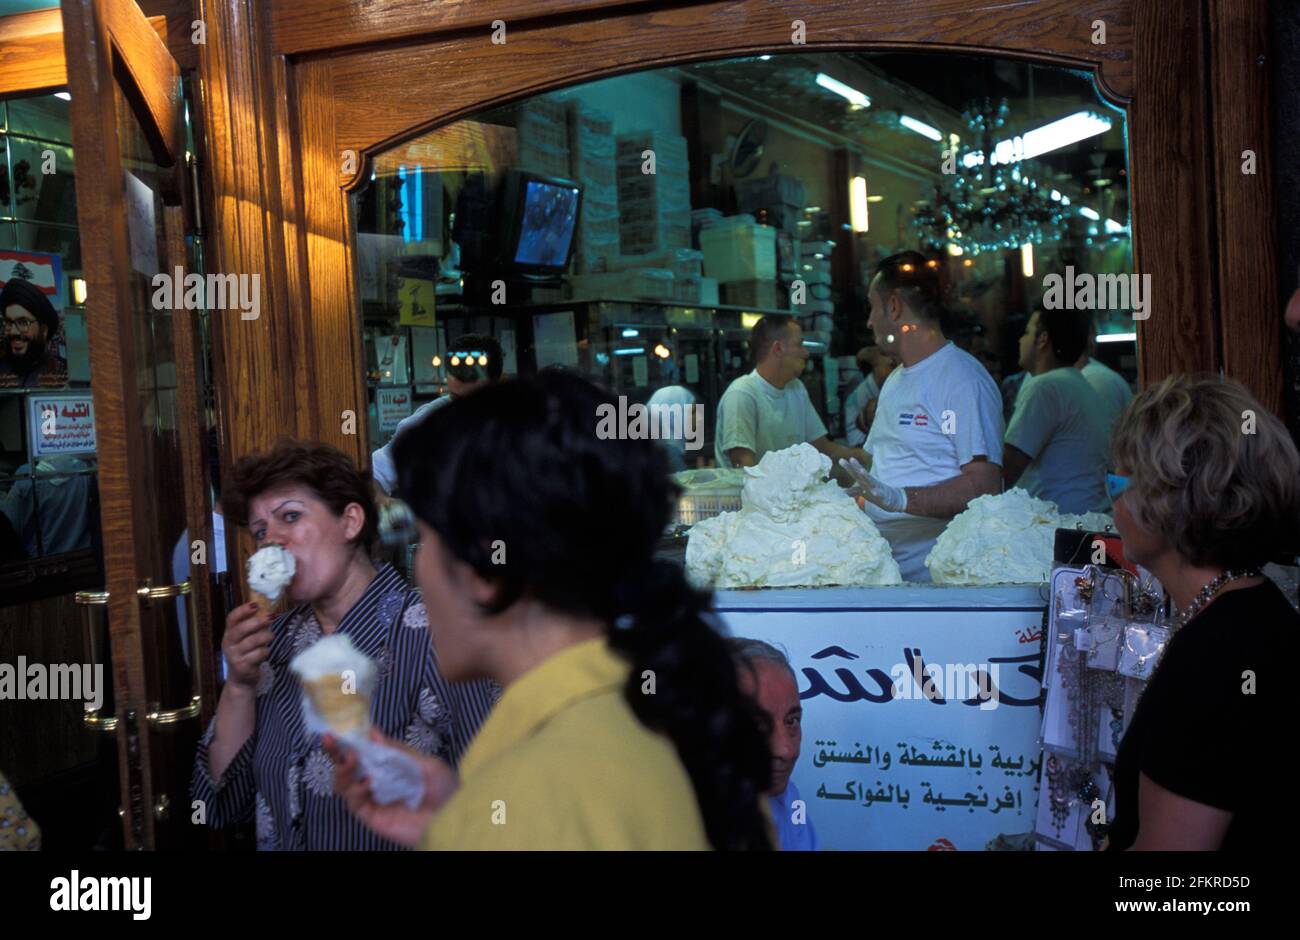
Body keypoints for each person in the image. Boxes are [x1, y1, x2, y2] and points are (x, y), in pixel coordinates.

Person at [329, 371, 775, 849]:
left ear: (485, 571)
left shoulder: (532, 793)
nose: (423, 569)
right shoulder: (674, 717)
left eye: (425, 538)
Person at [190, 440, 497, 850]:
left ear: (351, 521)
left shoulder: (438, 638)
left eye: (291, 517)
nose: (271, 541)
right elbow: (219, 808)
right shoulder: (274, 644)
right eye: (261, 530)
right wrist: (241, 686)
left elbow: (503, 803)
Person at [1106, 375, 1300, 851]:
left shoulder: (1215, 656)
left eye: (1117, 480)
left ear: (1166, 500)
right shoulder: (1254, 609)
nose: (1110, 499)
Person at [840, 251, 1004, 581]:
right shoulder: (895, 381)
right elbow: (881, 466)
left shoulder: (962, 380)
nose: (870, 321)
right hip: (885, 574)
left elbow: (985, 486)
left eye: (873, 307)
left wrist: (901, 499)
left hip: (935, 582)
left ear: (895, 307)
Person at [714, 315, 868, 471]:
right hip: (749, 495)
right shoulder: (742, 394)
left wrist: (861, 456)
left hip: (787, 493)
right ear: (778, 348)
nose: (806, 353)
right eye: (800, 344)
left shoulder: (796, 388)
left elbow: (821, 447)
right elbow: (743, 465)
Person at [1002, 306, 1111, 512]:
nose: (1020, 340)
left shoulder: (1045, 386)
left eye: (1026, 332)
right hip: (1084, 518)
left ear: (1042, 339)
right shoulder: (1078, 382)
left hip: (1060, 526)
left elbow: (1005, 472)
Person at [370, 333, 502, 496]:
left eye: (472, 400)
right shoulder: (428, 421)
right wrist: (385, 504)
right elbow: (374, 473)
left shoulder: (522, 424)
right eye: (455, 398)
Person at [729, 638, 817, 851]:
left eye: (792, 721)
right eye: (759, 725)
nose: (786, 750)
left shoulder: (789, 798)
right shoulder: (680, 818)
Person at [0, 277, 67, 388]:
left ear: (44, 330)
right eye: (8, 322)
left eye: (23, 323)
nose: (13, 332)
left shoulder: (62, 373)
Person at [843, 346, 895, 447]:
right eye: (891, 366)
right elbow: (856, 443)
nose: (895, 371)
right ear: (876, 368)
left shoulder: (886, 388)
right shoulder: (859, 395)